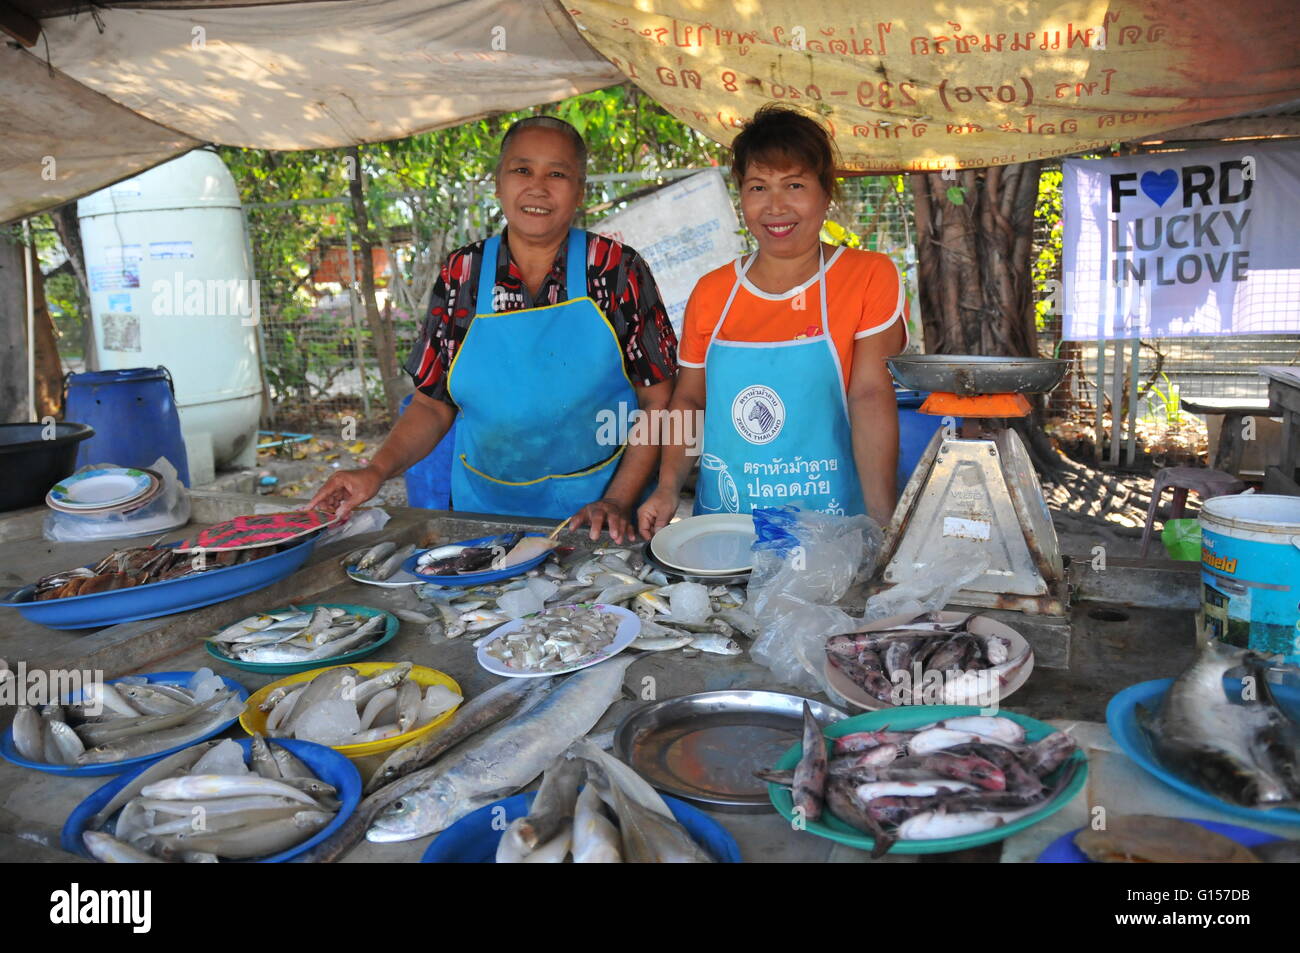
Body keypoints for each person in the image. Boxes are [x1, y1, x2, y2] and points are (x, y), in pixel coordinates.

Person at [309, 116, 677, 542]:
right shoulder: (462, 274)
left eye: (557, 173)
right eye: (522, 170)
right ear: (498, 184)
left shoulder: (617, 270)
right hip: (487, 512)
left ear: (579, 191)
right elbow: (432, 404)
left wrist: (618, 499)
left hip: (603, 516)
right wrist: (375, 470)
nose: (538, 187)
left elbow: (658, 402)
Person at [638, 104, 906, 536]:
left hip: (829, 529)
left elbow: (871, 397)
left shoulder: (868, 276)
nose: (775, 207)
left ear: (826, 192)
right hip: (726, 526)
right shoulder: (712, 292)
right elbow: (690, 402)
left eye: (794, 184)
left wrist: (881, 523)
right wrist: (668, 488)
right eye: (758, 187)